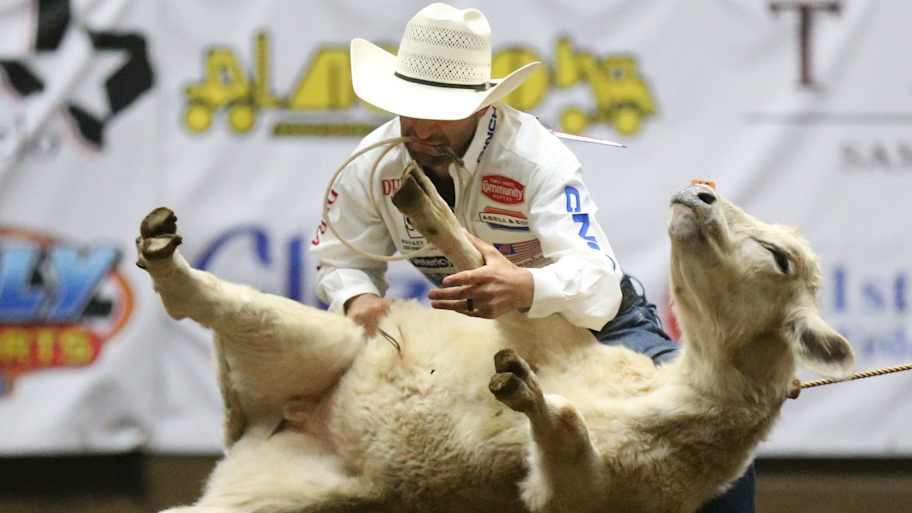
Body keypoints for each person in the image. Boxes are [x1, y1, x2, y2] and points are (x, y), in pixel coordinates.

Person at [310, 3, 755, 512]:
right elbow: (340, 256)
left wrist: (525, 287)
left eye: (441, 112)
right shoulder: (374, 161)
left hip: (595, 328)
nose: (420, 127)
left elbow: (598, 282)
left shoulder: (536, 159)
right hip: (481, 338)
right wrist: (357, 299)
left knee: (706, 423)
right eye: (409, 106)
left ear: (480, 106)